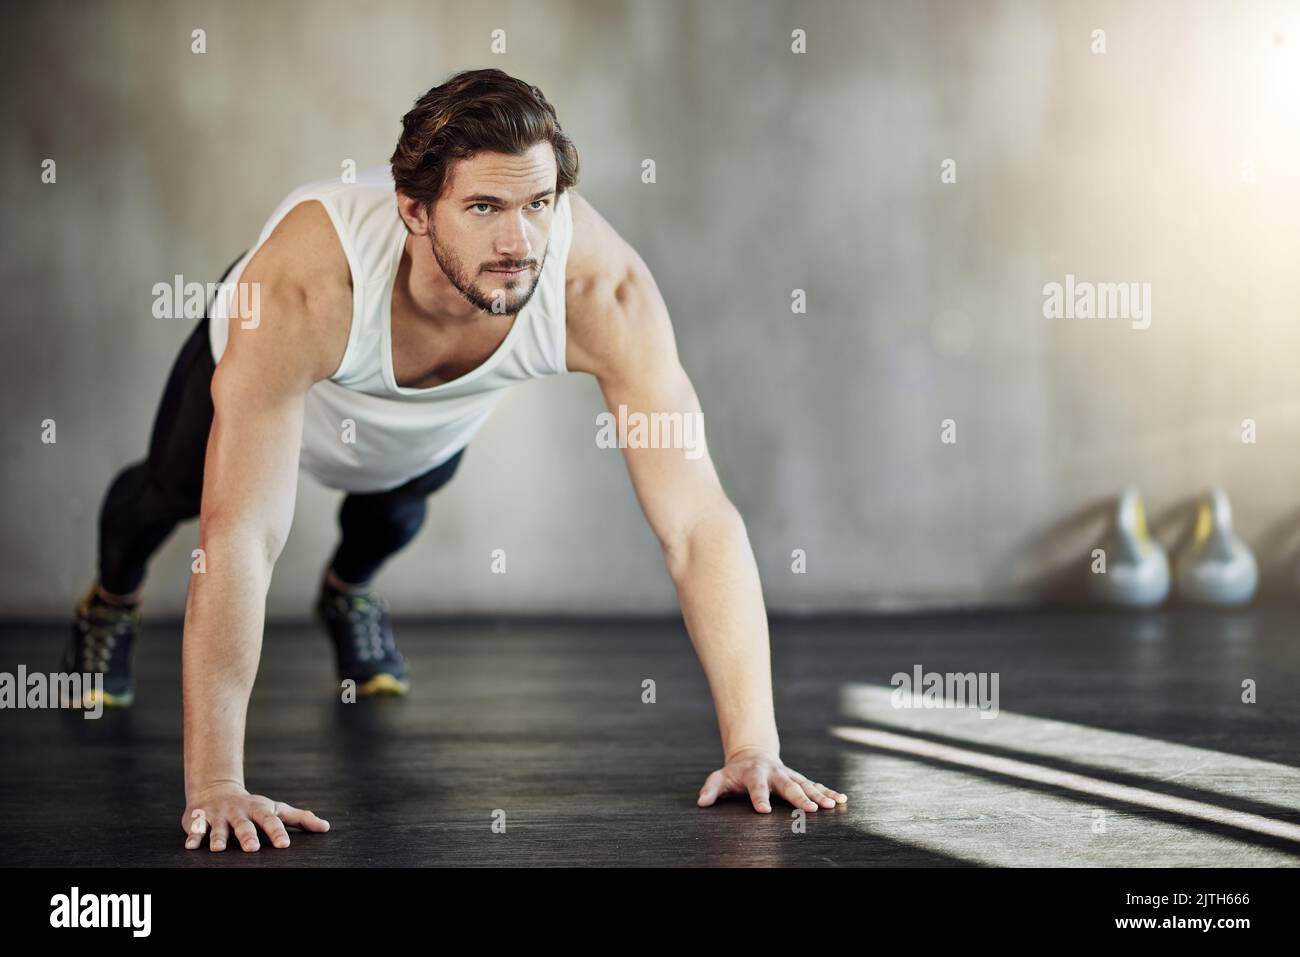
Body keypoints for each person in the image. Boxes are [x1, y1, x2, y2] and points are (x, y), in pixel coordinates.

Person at [67, 67, 847, 852]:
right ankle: (109, 602)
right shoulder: (302, 286)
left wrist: (754, 744)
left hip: (417, 425)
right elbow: (240, 538)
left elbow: (697, 521)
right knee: (163, 496)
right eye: (483, 208)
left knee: (397, 507)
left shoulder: (599, 290)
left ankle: (347, 595)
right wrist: (216, 784)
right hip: (276, 367)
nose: (518, 243)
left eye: (538, 205)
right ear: (414, 209)